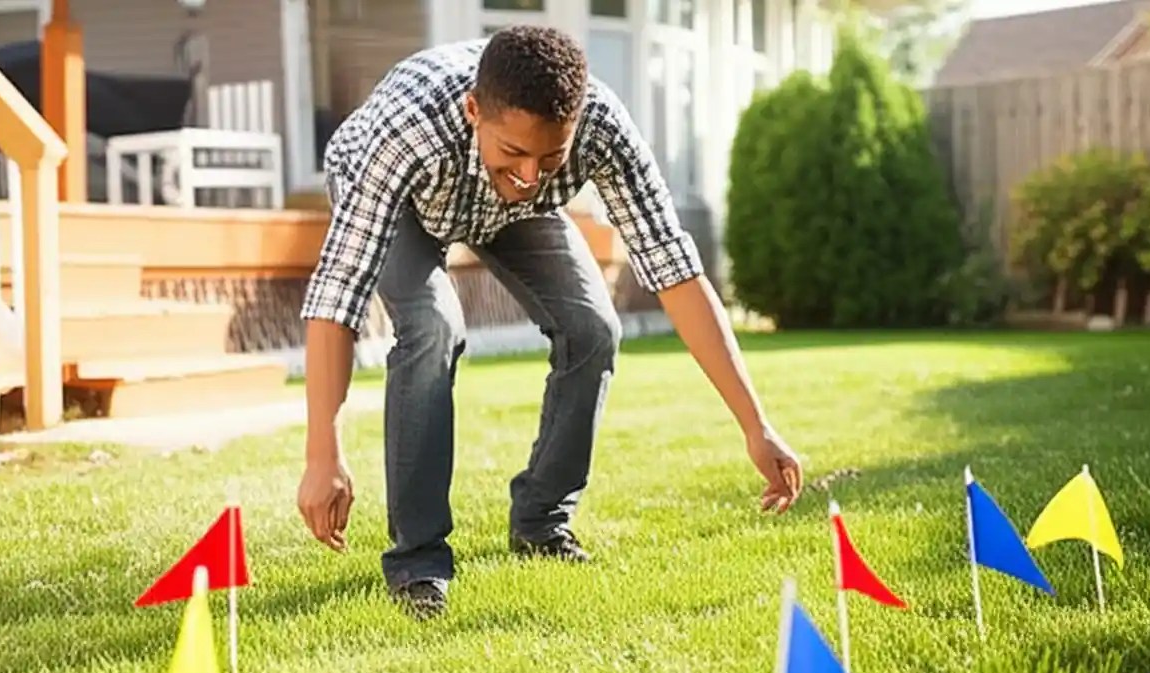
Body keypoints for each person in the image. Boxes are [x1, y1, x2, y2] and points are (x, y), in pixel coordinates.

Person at [297, 26, 803, 619]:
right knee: (433, 325)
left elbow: (676, 269)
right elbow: (336, 298)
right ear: (473, 110)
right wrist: (321, 454)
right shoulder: (408, 132)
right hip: (402, 197)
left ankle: (541, 522)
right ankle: (418, 562)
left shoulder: (599, 129)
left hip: (508, 214)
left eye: (551, 157)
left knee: (593, 327)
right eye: (514, 152)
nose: (532, 175)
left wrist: (755, 424)